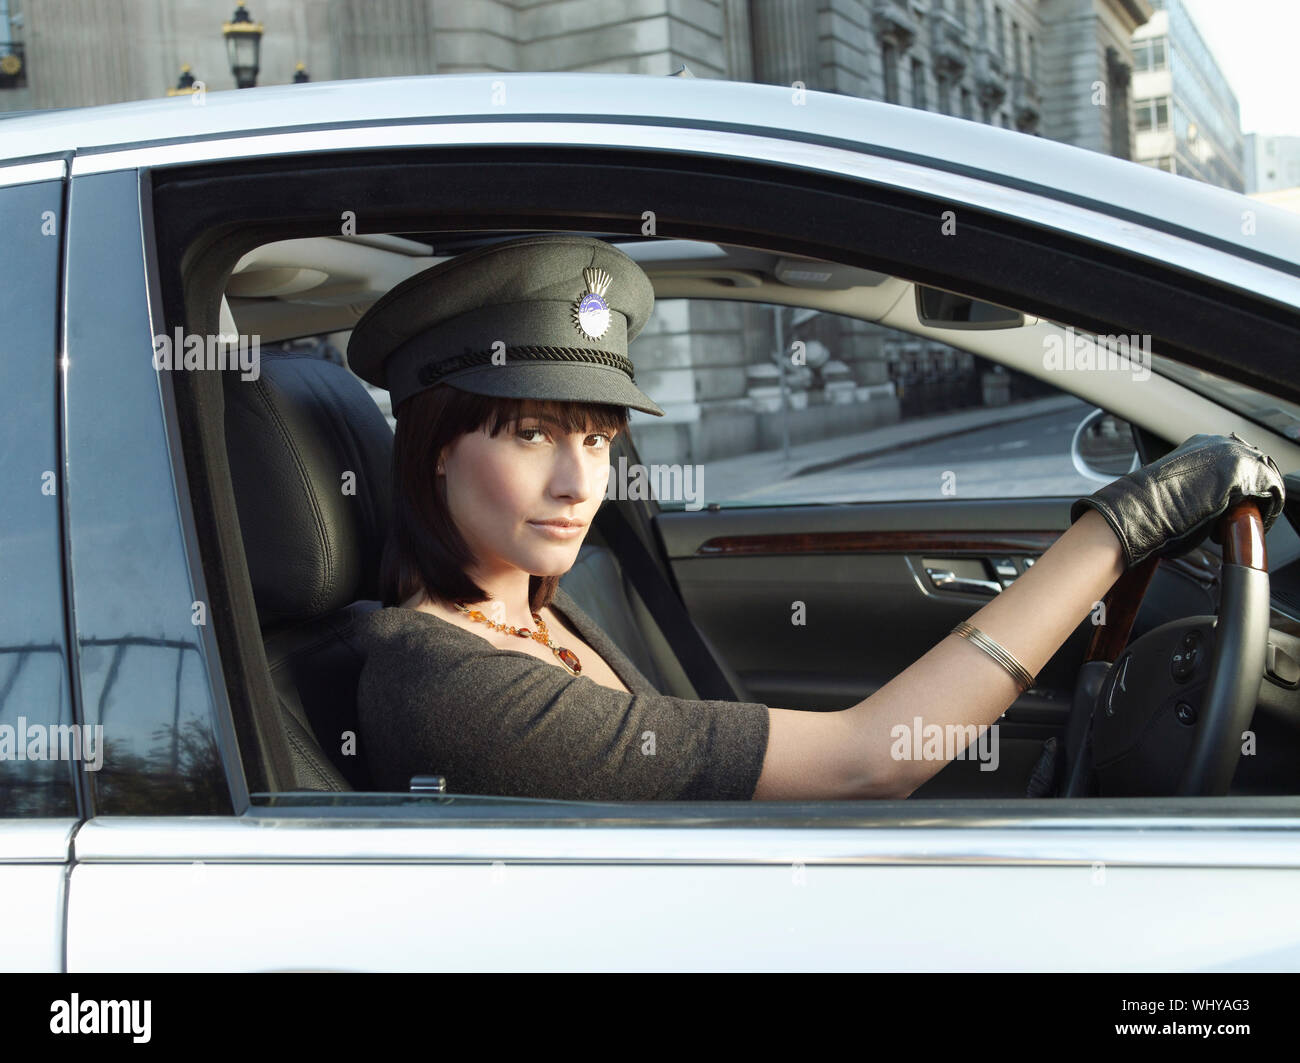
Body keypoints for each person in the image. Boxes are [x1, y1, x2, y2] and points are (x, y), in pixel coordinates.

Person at [347, 233, 1286, 801]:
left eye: (596, 439)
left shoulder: (529, 609)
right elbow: (866, 761)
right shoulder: (449, 684)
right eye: (528, 432)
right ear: (436, 444)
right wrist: (1117, 529)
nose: (577, 482)